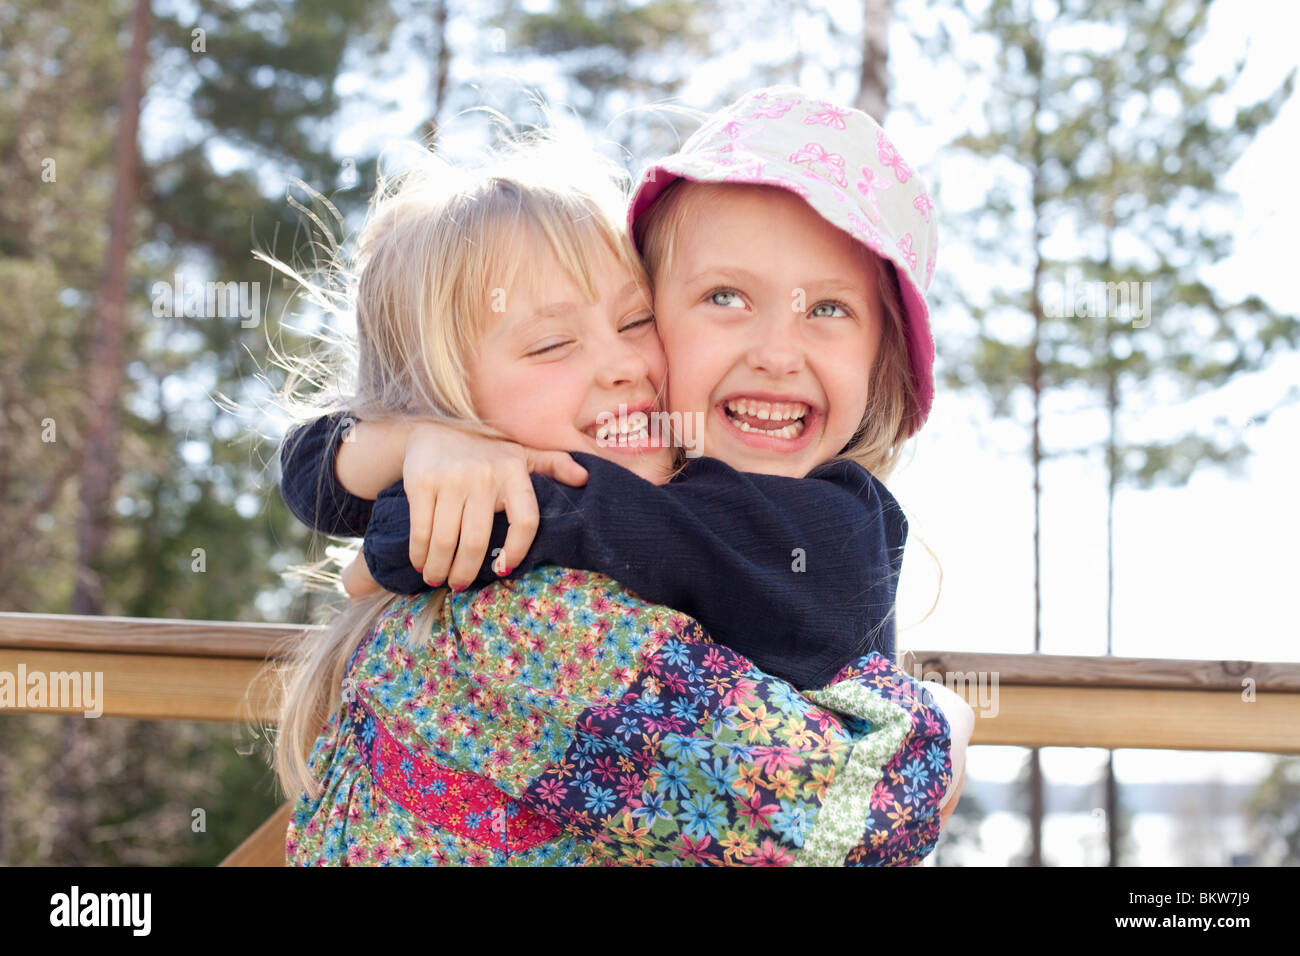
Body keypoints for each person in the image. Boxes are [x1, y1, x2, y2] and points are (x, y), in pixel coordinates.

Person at [274, 89, 972, 866]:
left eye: (633, 322)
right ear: (446, 395)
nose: (618, 366)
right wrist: (941, 716)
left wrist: (413, 457)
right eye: (549, 346)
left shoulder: (719, 522)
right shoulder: (540, 623)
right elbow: (862, 824)